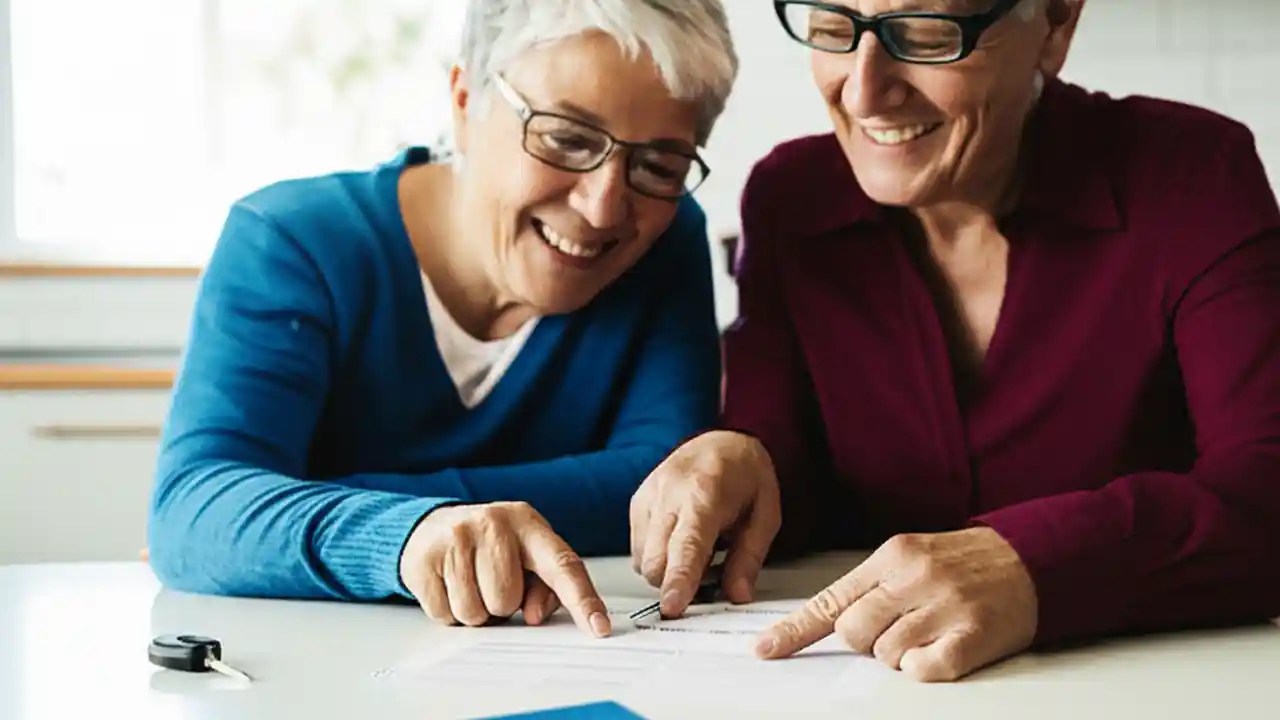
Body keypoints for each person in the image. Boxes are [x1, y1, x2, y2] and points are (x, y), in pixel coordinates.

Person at [630, 0, 1280, 681]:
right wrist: (735, 461)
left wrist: (1033, 565)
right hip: (865, 688)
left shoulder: (1192, 175)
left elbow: (1265, 492)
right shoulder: (790, 198)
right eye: (831, 28)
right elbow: (790, 470)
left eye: (924, 35)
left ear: (1055, 25)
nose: (864, 90)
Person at [148, 0, 737, 639]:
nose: (602, 207)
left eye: (659, 165)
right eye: (565, 138)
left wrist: (316, 502)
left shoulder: (667, 238)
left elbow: (657, 482)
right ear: (464, 101)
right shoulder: (294, 242)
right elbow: (194, 512)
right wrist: (410, 534)